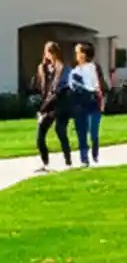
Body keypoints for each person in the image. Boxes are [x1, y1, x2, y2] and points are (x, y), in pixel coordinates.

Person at [33, 41, 73, 172]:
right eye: (48, 52)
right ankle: (45, 163)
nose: (50, 55)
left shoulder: (64, 69)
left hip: (60, 105)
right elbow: (43, 89)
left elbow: (60, 91)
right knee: (40, 136)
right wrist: (42, 108)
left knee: (60, 131)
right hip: (47, 104)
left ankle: (68, 161)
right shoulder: (43, 68)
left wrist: (44, 108)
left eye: (52, 52)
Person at [69, 42, 108, 167]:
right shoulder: (74, 71)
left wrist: (101, 99)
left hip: (93, 101)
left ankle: (95, 150)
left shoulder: (94, 67)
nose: (76, 55)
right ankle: (84, 158)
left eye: (78, 52)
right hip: (80, 103)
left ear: (84, 54)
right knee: (81, 131)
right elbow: (72, 87)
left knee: (93, 130)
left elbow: (100, 85)